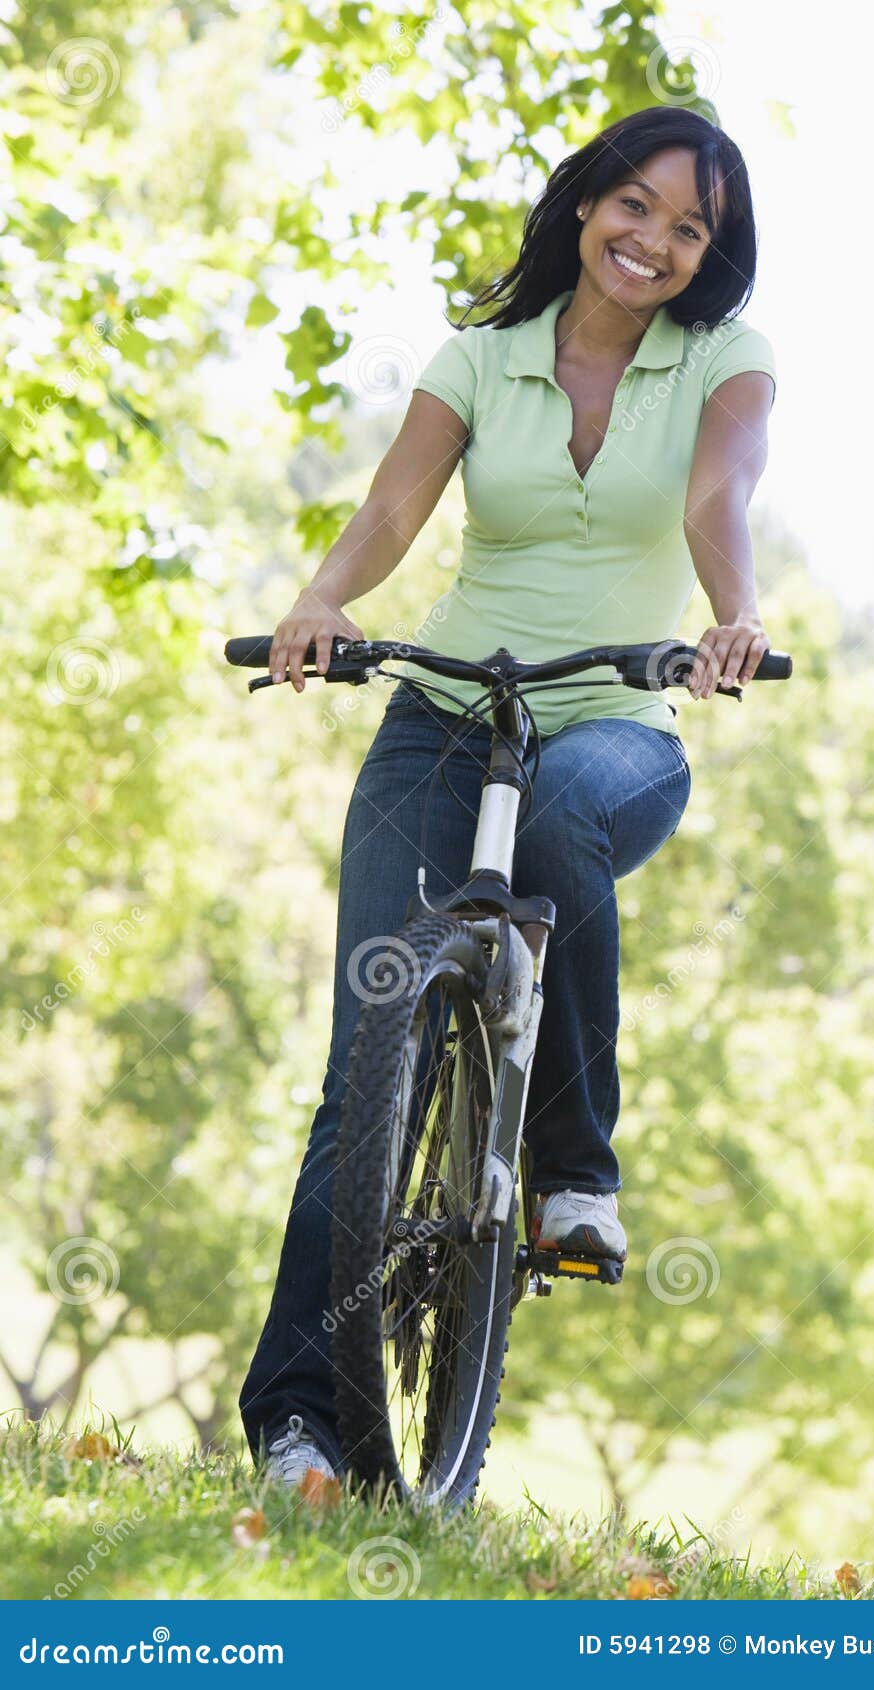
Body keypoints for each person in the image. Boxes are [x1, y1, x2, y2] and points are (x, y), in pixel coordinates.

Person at [240, 104, 776, 1486]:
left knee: (559, 820)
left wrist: (734, 613)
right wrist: (320, 600)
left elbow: (723, 493)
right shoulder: (479, 360)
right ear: (588, 201)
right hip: (445, 714)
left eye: (690, 225)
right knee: (368, 1057)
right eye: (636, 205)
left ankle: (570, 1171)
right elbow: (393, 507)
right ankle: (297, 1422)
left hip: (612, 720)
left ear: (713, 255)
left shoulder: (725, 359)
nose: (653, 240)